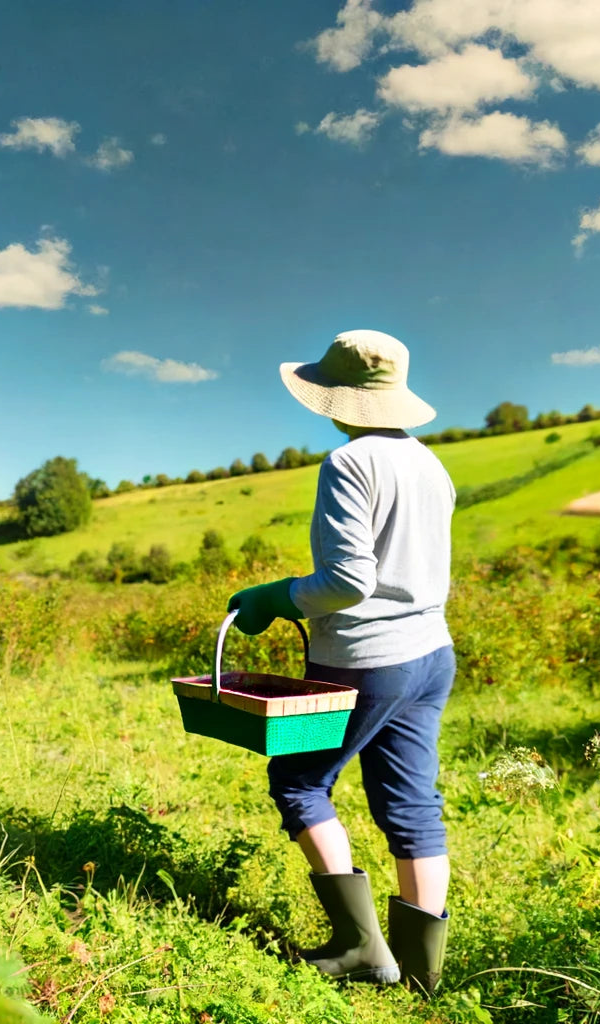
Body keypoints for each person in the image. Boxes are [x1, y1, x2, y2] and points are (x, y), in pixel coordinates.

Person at [226, 329, 455, 994]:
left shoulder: (350, 464)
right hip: (431, 653)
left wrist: (280, 597)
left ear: (340, 399)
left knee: (299, 780)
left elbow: (349, 580)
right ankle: (422, 976)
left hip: (365, 659)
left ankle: (363, 952)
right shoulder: (430, 465)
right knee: (412, 804)